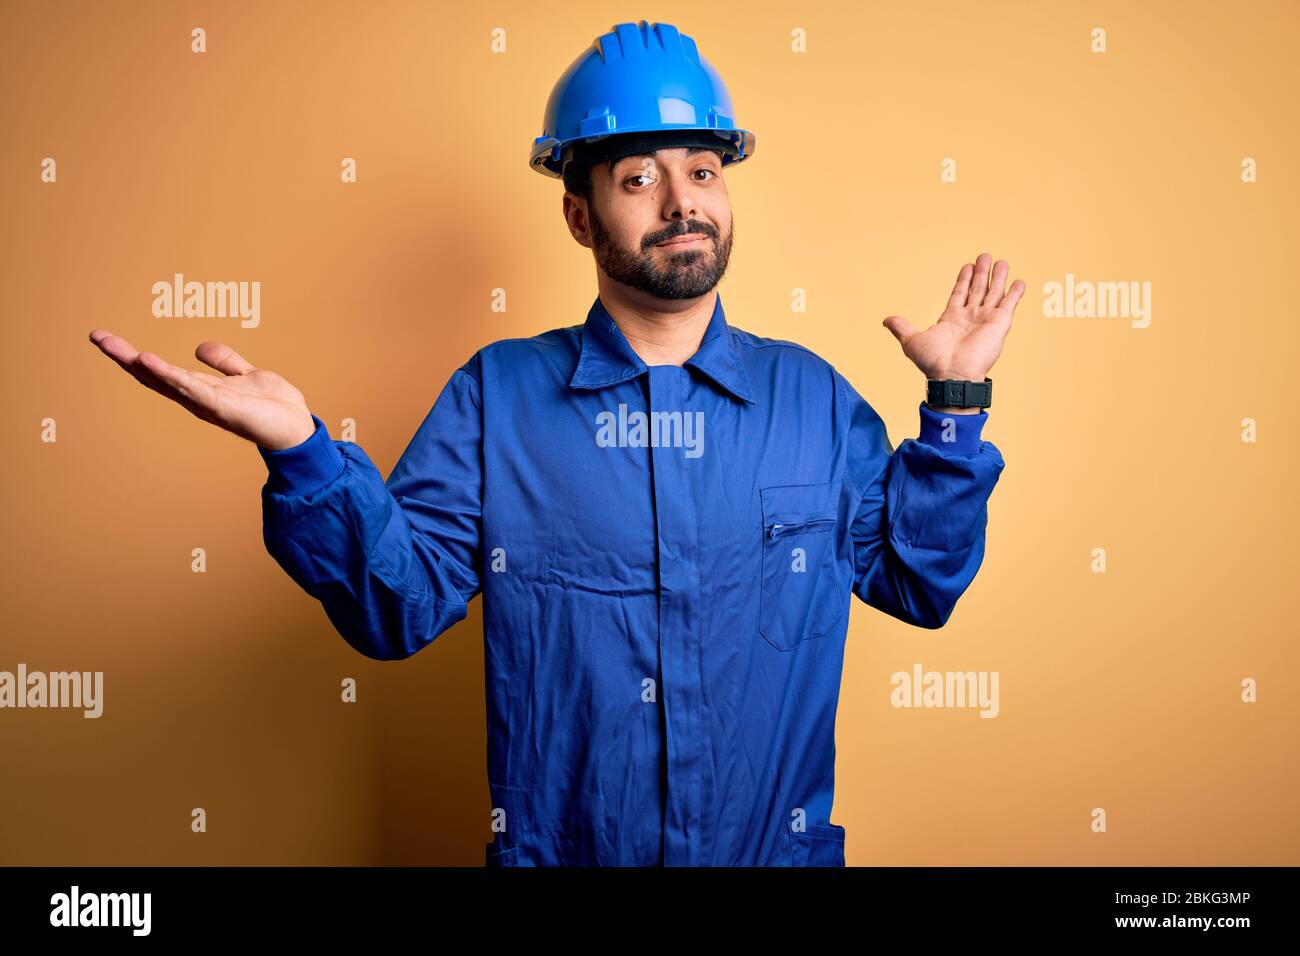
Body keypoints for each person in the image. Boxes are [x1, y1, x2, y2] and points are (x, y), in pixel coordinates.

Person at [89, 20, 1021, 866]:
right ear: (579, 216)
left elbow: (918, 582)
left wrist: (955, 402)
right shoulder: (497, 398)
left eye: (700, 170)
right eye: (637, 177)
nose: (679, 201)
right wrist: (304, 454)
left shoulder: (811, 398)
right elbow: (395, 610)